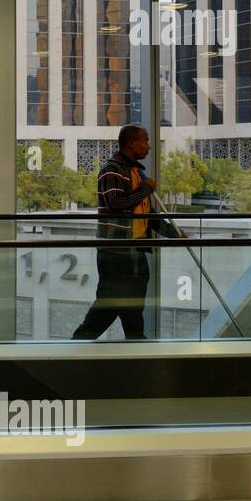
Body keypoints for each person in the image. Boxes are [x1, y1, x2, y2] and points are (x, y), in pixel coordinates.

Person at [71, 124, 180, 341]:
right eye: (145, 141)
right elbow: (116, 204)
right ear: (131, 143)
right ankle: (75, 350)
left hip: (136, 252)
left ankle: (137, 348)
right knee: (106, 309)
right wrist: (146, 189)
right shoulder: (111, 171)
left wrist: (174, 233)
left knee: (133, 311)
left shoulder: (136, 173)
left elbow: (145, 214)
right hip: (116, 253)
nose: (149, 147)